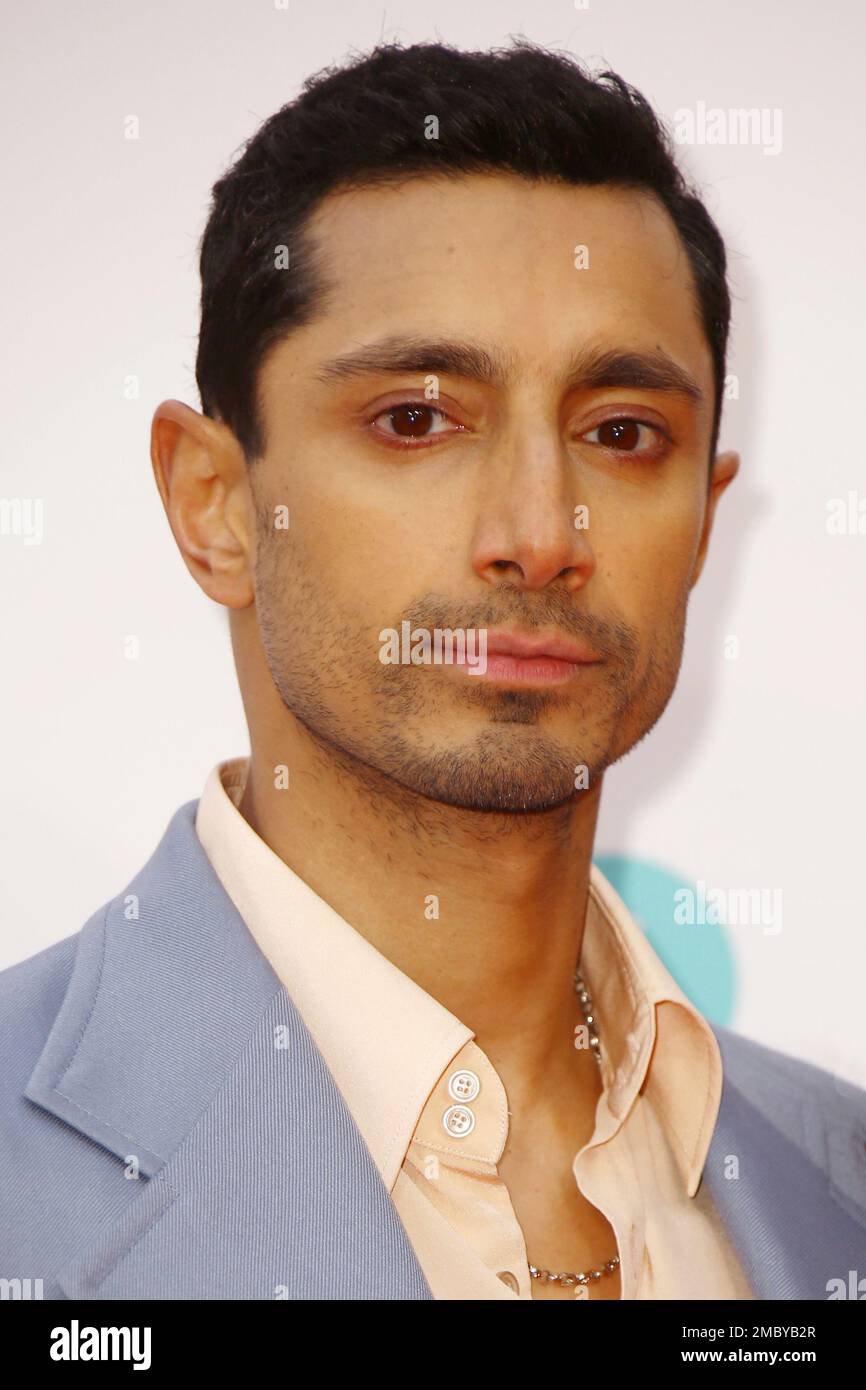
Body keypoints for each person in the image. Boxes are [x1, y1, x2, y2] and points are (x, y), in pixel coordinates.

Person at [2, 40, 865, 1302]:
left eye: (621, 434)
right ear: (215, 504)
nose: (538, 533)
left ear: (700, 522)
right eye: (416, 418)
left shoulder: (834, 1175)